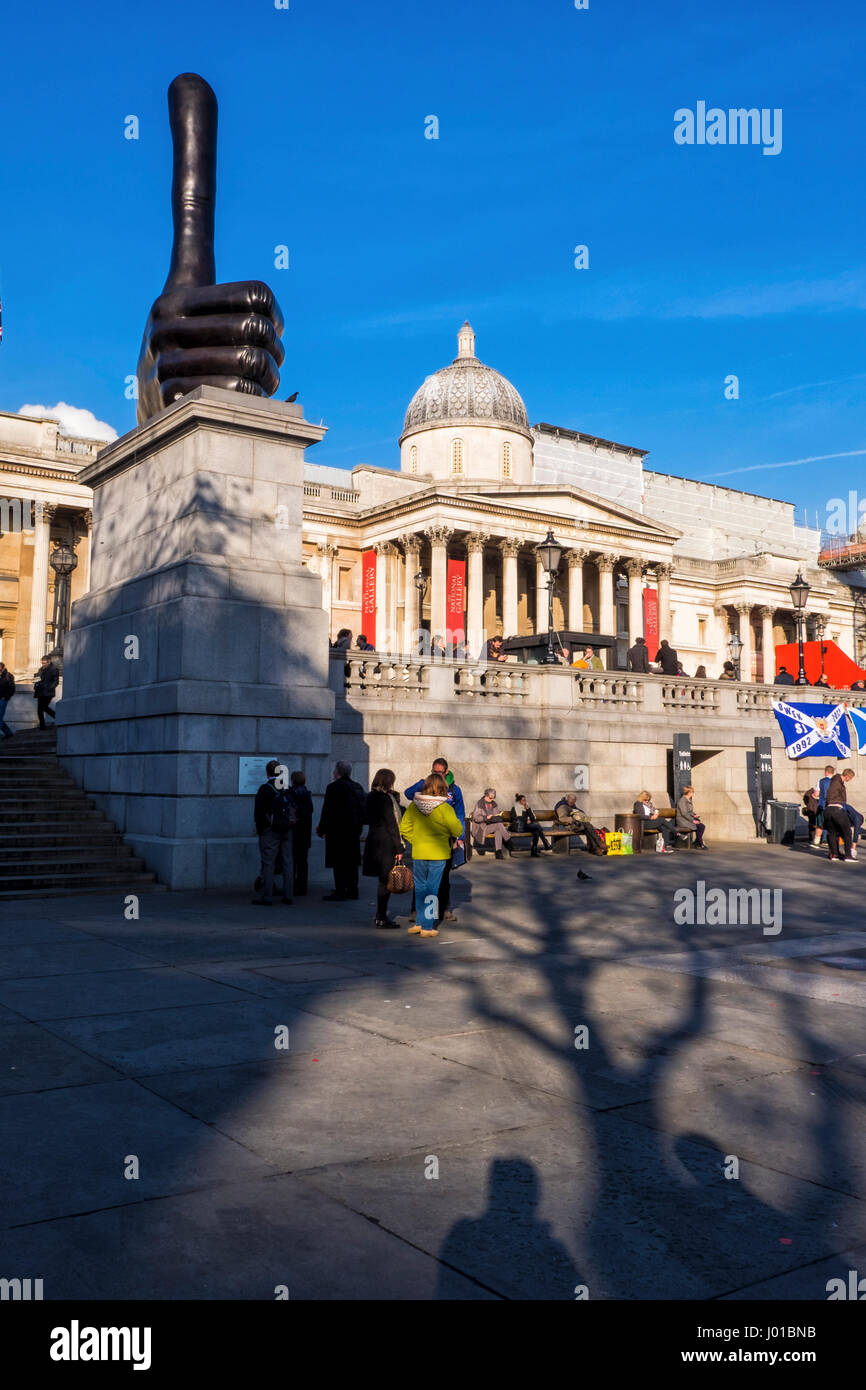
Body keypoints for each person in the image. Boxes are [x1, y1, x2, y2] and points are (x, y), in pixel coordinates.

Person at [399, 773, 463, 938]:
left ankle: (419, 922)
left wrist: (417, 840)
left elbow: (404, 828)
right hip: (439, 852)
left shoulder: (414, 806)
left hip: (419, 852)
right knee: (432, 889)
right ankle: (427, 926)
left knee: (420, 888)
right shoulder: (445, 808)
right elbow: (457, 830)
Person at [316, 760, 367, 900]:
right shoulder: (357, 786)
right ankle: (352, 890)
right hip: (353, 830)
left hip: (337, 831)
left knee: (338, 863)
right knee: (352, 862)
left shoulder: (333, 788)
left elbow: (327, 810)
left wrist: (321, 828)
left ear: (337, 772)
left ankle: (340, 890)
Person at [363, 769, 403, 928]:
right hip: (386, 842)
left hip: (374, 839)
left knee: (383, 879)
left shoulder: (370, 796)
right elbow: (392, 825)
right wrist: (399, 848)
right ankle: (381, 916)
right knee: (386, 881)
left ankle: (380, 915)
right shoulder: (386, 799)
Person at [251, 760, 296, 906]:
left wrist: (261, 831)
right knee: (287, 862)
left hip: (270, 831)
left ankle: (267, 896)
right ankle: (289, 895)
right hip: (287, 829)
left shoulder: (265, 789)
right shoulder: (287, 788)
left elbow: (259, 813)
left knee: (268, 863)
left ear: (267, 773)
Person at [289, 770, 313, 896]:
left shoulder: (291, 794)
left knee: (292, 861)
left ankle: (292, 885)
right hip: (305, 833)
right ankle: (302, 886)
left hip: (294, 832)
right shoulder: (307, 795)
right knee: (303, 861)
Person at [824, 768, 856, 862]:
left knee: (832, 832)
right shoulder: (838, 782)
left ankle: (834, 854)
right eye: (850, 778)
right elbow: (832, 796)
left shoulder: (834, 781)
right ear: (847, 776)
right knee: (847, 831)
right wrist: (842, 803)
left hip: (828, 810)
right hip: (836, 808)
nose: (849, 780)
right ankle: (848, 855)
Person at [471, 788, 512, 857]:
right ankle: (508, 841)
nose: (492, 799)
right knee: (499, 826)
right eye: (490, 798)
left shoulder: (493, 804)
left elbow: (496, 815)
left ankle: (498, 852)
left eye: (493, 798)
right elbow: (476, 818)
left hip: (491, 825)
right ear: (485, 796)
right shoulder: (480, 804)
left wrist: (498, 815)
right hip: (481, 828)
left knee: (498, 830)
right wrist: (486, 817)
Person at [33, 655, 60, 728]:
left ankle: (58, 718)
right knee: (39, 709)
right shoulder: (41, 669)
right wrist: (35, 684)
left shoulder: (54, 669)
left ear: (49, 662)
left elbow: (56, 681)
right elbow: (38, 679)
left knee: (44, 707)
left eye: (44, 663)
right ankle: (42, 726)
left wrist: (50, 687)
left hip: (48, 692)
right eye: (42, 663)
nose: (43, 665)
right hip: (40, 691)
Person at [0, 662, 15, 739]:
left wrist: (6, 697)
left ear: (2, 668)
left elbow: (12, 689)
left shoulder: (8, 676)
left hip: (2, 700)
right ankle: (8, 733)